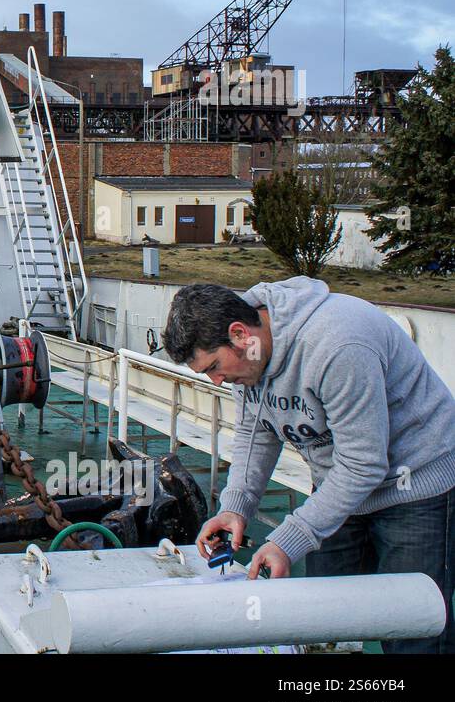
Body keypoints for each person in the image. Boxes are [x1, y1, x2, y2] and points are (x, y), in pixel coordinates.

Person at [162, 277, 455, 653]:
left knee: (415, 628)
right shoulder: (249, 355)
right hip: (341, 487)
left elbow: (363, 463)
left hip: (414, 488)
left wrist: (287, 540)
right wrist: (236, 505)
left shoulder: (337, 344)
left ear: (239, 334)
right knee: (322, 621)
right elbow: (256, 430)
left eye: (215, 366)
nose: (218, 381)